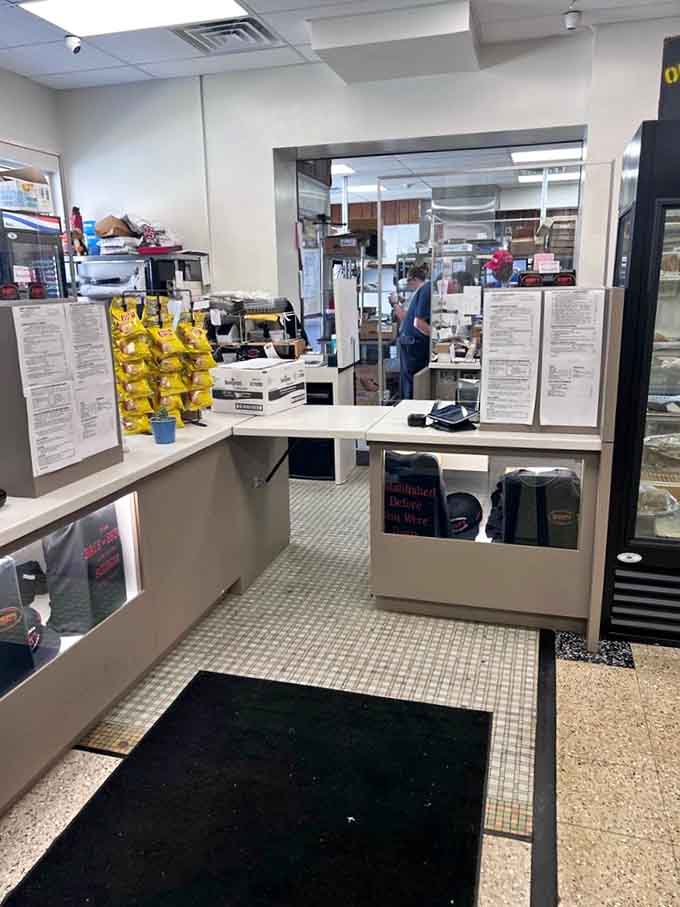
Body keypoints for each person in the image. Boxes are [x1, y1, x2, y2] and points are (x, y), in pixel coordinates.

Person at [390, 264, 431, 400]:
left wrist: (395, 303)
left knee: (411, 381)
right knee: (411, 380)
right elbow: (410, 317)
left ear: (414, 279)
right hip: (411, 342)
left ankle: (409, 406)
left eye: (408, 281)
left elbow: (407, 318)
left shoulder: (424, 290)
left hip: (413, 343)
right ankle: (408, 407)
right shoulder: (420, 292)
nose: (408, 285)